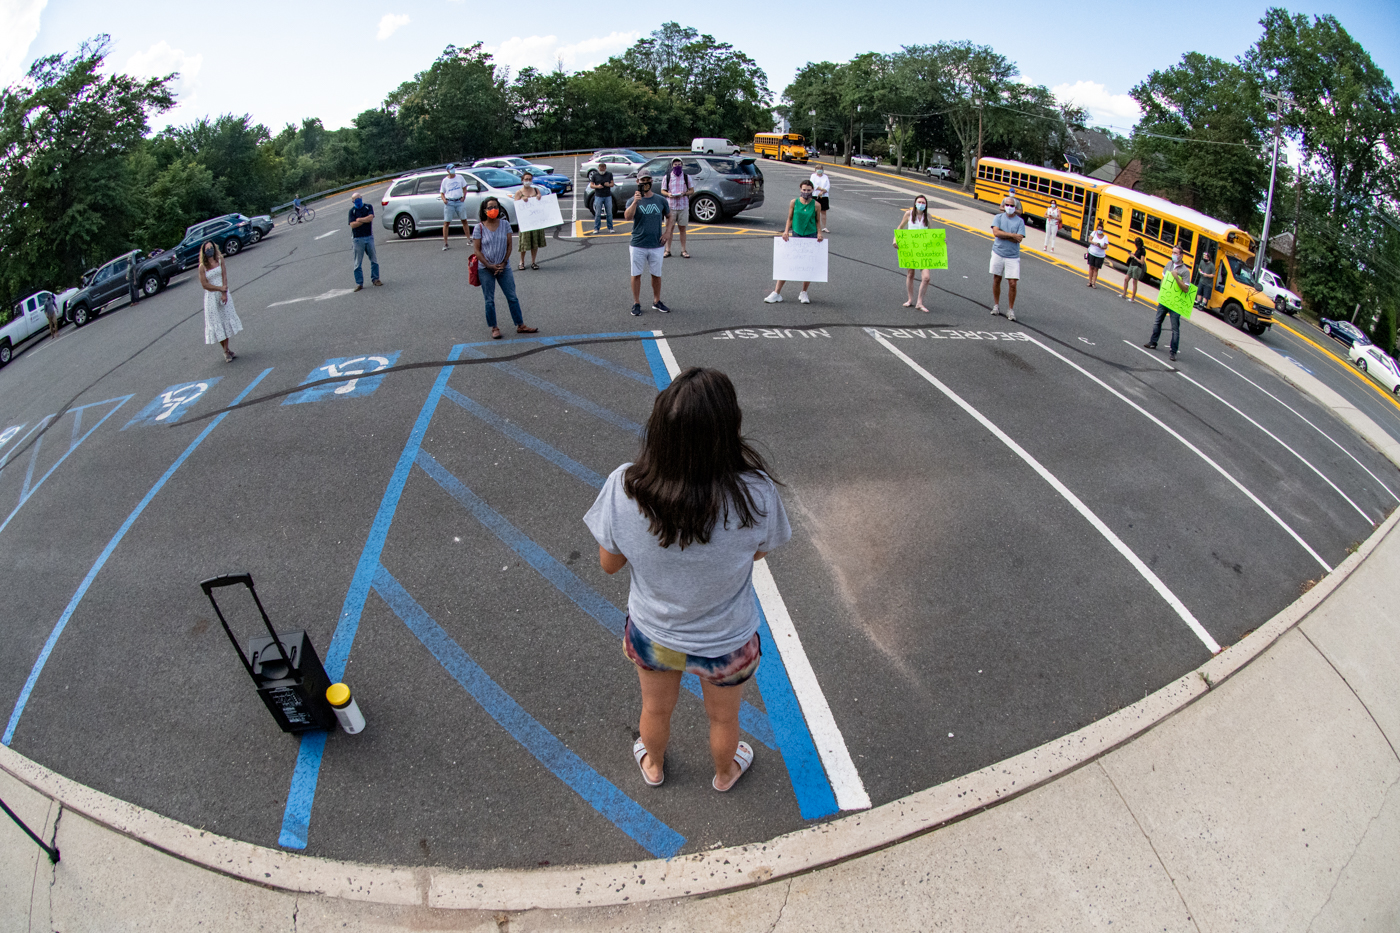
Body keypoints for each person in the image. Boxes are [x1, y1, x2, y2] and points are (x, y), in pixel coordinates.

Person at [583, 367, 790, 793]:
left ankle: (654, 765)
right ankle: (724, 773)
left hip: (654, 632)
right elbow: (759, 550)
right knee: (724, 718)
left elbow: (609, 564)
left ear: (658, 431)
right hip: (727, 638)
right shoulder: (756, 491)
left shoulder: (626, 487)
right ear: (728, 430)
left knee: (655, 711)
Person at [471, 197, 537, 339]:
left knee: (512, 297)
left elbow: (509, 245)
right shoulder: (479, 228)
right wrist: (489, 265)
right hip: (485, 268)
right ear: (484, 210)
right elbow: (477, 250)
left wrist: (504, 262)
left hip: (503, 267)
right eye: (490, 207)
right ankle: (494, 327)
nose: (493, 209)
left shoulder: (505, 224)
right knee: (489, 299)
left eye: (495, 207)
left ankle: (520, 325)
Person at [765, 180, 825, 304]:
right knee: (788, 263)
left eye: (808, 190)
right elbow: (790, 218)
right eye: (804, 190)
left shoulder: (816, 205)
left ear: (812, 190)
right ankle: (776, 293)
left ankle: (803, 292)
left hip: (811, 235)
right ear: (800, 189)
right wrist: (786, 231)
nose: (806, 192)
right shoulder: (794, 202)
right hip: (796, 234)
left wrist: (819, 232)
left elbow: (817, 221)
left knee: (807, 265)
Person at [624, 172, 671, 315]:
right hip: (638, 243)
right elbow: (627, 217)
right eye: (642, 181)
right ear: (638, 182)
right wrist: (635, 202)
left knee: (656, 274)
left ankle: (657, 301)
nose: (645, 183)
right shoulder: (633, 200)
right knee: (636, 274)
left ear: (651, 181)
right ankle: (636, 303)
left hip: (656, 243)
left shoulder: (660, 200)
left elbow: (669, 216)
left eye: (647, 180)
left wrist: (667, 232)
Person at [198, 242, 242, 363]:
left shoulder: (220, 259)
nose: (209, 250)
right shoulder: (203, 267)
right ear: (203, 252)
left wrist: (224, 291)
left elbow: (224, 275)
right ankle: (226, 351)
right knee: (217, 324)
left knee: (225, 321)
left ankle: (227, 350)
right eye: (207, 249)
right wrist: (219, 289)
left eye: (211, 248)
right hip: (211, 297)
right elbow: (204, 284)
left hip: (223, 293)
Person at [1145, 243, 1190, 362]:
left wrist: (1176, 277)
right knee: (1157, 321)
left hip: (1175, 304)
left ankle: (1173, 352)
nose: (1173, 255)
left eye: (1176, 253)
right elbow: (1163, 278)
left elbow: (1186, 289)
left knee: (1175, 328)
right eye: (1173, 252)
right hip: (1165, 300)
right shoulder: (1169, 264)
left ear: (1181, 255)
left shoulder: (1185, 271)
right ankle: (1153, 342)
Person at [894, 196, 933, 312]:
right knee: (910, 273)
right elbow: (900, 227)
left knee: (926, 277)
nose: (921, 204)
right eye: (919, 202)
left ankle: (919, 302)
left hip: (924, 250)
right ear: (915, 203)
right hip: (911, 248)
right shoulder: (909, 214)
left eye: (923, 202)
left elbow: (932, 233)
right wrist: (895, 239)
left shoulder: (928, 217)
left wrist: (941, 240)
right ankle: (910, 299)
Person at [989, 195, 1024, 321]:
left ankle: (1010, 309)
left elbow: (1019, 238)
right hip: (998, 252)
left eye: (1012, 206)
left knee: (1012, 283)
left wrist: (1005, 235)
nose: (1010, 207)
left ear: (1015, 208)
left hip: (1013, 256)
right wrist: (1011, 235)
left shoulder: (1020, 221)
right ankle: (996, 305)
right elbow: (996, 233)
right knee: (997, 278)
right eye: (1007, 205)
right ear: (1003, 207)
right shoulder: (998, 218)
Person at [513, 171, 547, 270]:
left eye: (529, 179)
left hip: (536, 220)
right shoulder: (519, 192)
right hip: (525, 221)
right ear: (522, 180)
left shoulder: (536, 190)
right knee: (524, 242)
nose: (528, 181)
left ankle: (533, 261)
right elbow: (516, 207)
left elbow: (542, 204)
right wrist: (521, 199)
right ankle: (521, 261)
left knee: (534, 242)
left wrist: (539, 197)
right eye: (526, 179)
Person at [348, 192, 381, 291]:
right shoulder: (352, 211)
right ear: (353, 201)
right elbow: (352, 225)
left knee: (374, 259)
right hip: (357, 239)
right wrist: (363, 221)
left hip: (368, 236)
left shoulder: (368, 207)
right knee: (357, 263)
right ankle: (359, 283)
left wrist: (360, 220)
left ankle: (376, 279)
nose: (358, 200)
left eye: (359, 198)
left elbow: (370, 218)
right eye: (356, 199)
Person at [661, 158, 693, 259]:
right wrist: (669, 194)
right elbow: (663, 190)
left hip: (683, 206)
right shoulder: (667, 177)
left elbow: (692, 190)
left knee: (682, 229)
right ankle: (667, 250)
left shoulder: (686, 177)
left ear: (682, 165)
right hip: (671, 206)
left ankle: (683, 250)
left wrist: (684, 193)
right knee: (669, 229)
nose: (677, 166)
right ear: (672, 166)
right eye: (675, 165)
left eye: (679, 164)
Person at [439, 164, 469, 251]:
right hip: (450, 202)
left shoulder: (460, 177)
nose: (453, 170)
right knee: (446, 223)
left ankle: (468, 239)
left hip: (459, 201)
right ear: (448, 170)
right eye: (451, 169)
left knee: (464, 220)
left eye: (453, 168)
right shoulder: (445, 181)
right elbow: (442, 192)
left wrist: (464, 196)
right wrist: (444, 200)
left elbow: (464, 187)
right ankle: (445, 243)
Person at [589, 162, 616, 234]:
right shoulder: (595, 175)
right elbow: (591, 185)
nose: (602, 169)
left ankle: (610, 228)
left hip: (607, 195)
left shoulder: (609, 174)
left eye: (603, 167)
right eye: (601, 167)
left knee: (609, 212)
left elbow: (612, 184)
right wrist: (597, 186)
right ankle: (596, 228)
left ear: (605, 168)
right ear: (598, 168)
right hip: (598, 196)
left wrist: (608, 184)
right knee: (597, 213)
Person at [1122, 237, 1147, 301]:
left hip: (1137, 267)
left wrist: (1134, 257)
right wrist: (1131, 254)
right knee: (1126, 279)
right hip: (1132, 265)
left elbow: (1142, 261)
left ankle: (1132, 298)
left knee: (1134, 282)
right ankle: (1124, 294)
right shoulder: (1138, 249)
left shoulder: (1142, 250)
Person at [1086, 220, 1109, 288]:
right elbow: (1089, 240)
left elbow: (1105, 246)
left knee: (1096, 269)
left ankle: (1094, 283)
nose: (1100, 231)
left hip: (1100, 255)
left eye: (1101, 230)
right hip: (1092, 252)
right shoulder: (1094, 233)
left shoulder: (1105, 237)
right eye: (1099, 229)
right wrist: (1094, 243)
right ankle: (1090, 281)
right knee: (1091, 267)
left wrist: (1101, 246)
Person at [809, 164, 830, 233]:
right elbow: (813, 184)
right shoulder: (813, 176)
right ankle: (813, 226)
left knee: (823, 211)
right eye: (817, 168)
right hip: (815, 195)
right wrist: (821, 189)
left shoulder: (825, 176)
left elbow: (828, 186)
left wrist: (823, 191)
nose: (819, 170)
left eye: (820, 168)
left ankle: (824, 227)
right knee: (814, 211)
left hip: (824, 196)